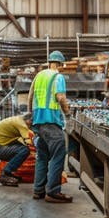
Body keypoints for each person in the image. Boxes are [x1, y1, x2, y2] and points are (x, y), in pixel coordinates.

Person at [29, 50, 72, 203]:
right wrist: (68, 114)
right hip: (51, 121)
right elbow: (60, 97)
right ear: (60, 64)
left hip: (38, 122)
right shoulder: (58, 77)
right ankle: (53, 192)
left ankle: (38, 190)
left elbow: (30, 96)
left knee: (42, 156)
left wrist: (32, 115)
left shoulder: (39, 75)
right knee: (58, 154)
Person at [0, 113, 33, 187]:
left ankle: (8, 173)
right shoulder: (21, 124)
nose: (31, 126)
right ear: (29, 120)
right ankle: (5, 173)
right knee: (24, 151)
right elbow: (29, 142)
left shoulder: (18, 119)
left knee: (22, 148)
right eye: (32, 124)